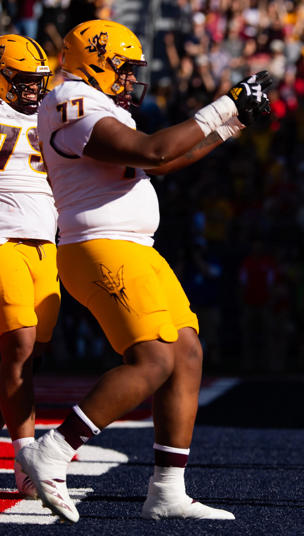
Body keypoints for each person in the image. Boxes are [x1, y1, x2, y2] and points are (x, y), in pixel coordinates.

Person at [15, 19, 272, 523]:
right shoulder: (71, 101)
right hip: (100, 246)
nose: (132, 79)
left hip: (136, 247)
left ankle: (167, 490)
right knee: (153, 359)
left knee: (187, 350)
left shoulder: (101, 105)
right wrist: (223, 104)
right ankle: (51, 451)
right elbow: (152, 150)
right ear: (94, 59)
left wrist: (232, 123)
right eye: (123, 68)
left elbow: (162, 161)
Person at [0, 34, 56, 499]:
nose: (33, 90)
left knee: (30, 355)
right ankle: (25, 460)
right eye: (22, 80)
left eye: (38, 81)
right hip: (3, 238)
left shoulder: (53, 115)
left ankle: (22, 450)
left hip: (47, 246)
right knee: (18, 345)